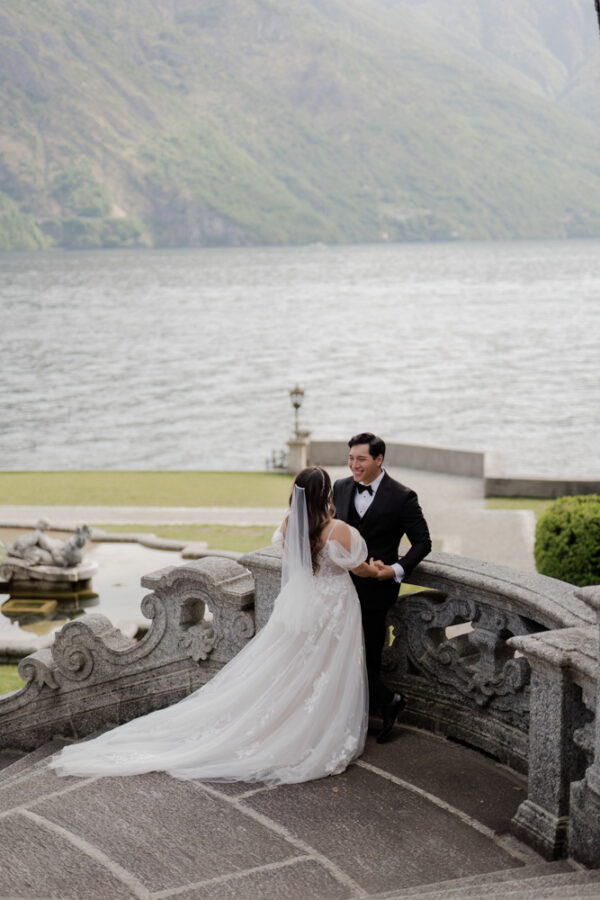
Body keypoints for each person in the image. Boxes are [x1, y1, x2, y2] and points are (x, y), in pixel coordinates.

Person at [48, 466, 378, 785]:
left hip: (302, 604)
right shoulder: (339, 531)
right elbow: (358, 568)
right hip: (333, 606)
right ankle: (314, 728)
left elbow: (293, 557)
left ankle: (290, 721)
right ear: (326, 495)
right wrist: (381, 570)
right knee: (327, 666)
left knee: (291, 667)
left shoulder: (291, 523)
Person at [333, 432, 432, 743]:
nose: (354, 465)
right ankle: (381, 703)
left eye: (361, 459)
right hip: (339, 587)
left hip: (376, 591)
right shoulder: (340, 487)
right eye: (350, 458)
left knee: (369, 655)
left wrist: (395, 570)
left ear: (379, 459)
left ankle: (378, 709)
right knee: (339, 651)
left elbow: (422, 543)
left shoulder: (403, 497)